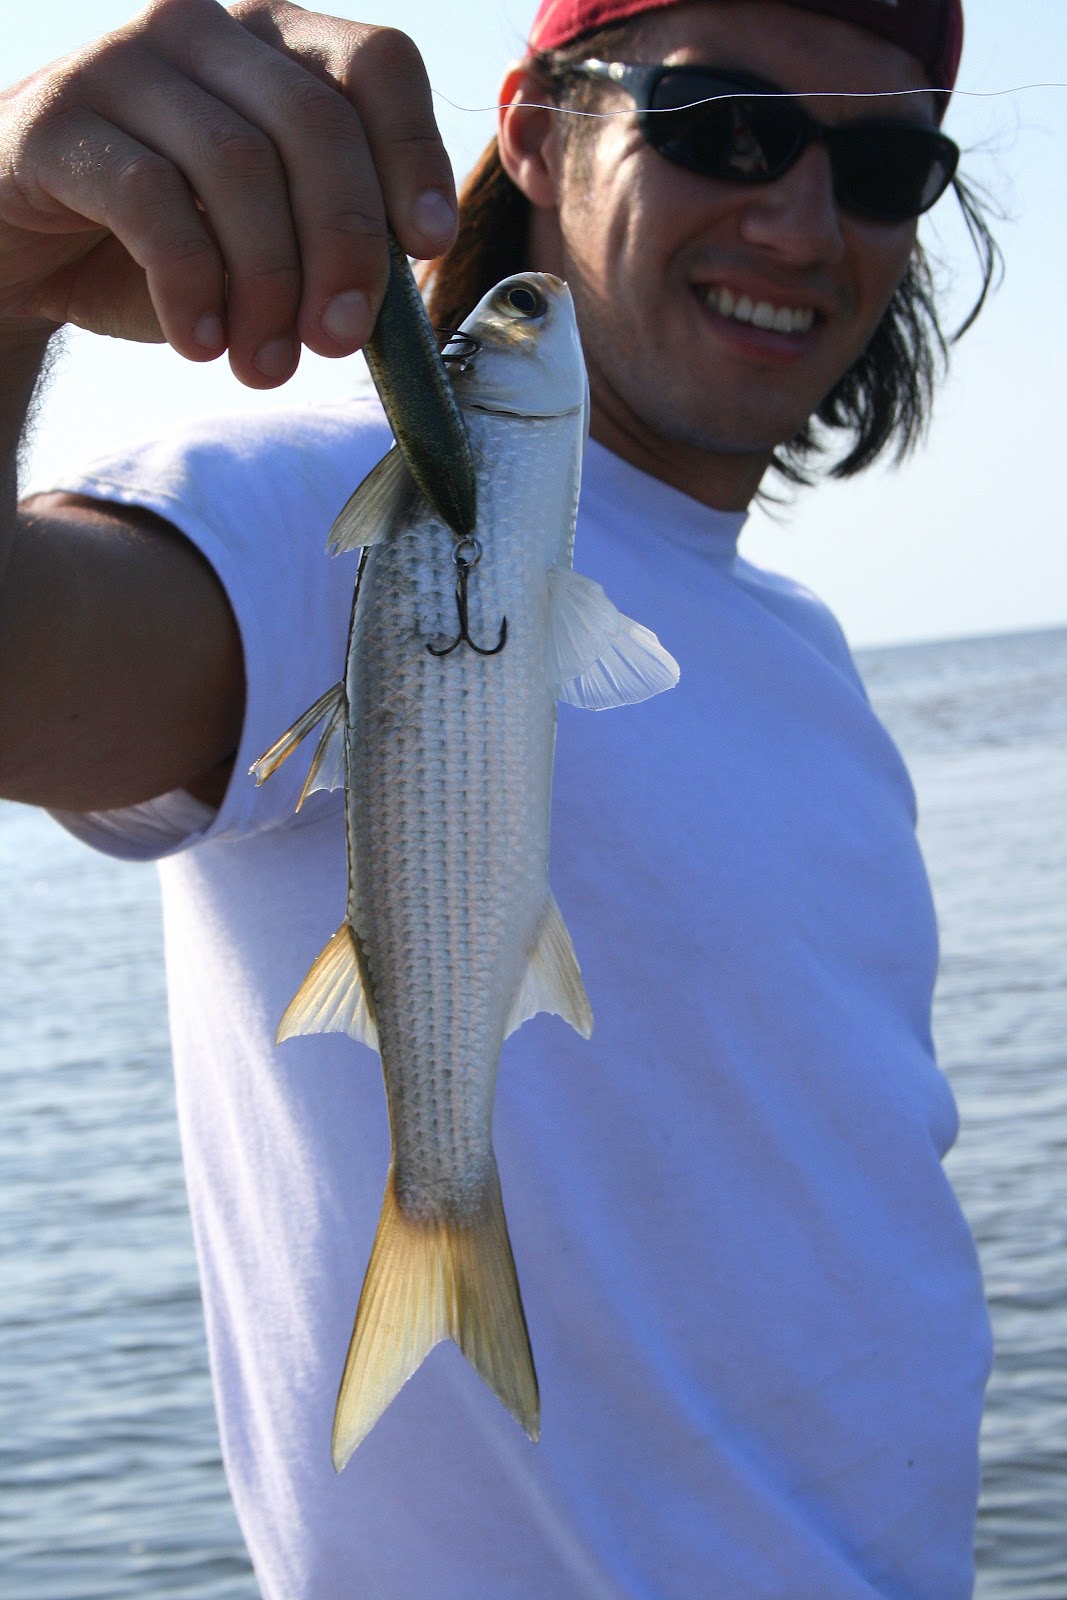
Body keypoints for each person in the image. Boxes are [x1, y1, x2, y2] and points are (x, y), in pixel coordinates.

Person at [0, 0, 1001, 1594]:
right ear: (534, 130)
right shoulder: (318, 510)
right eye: (724, 126)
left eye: (884, 163)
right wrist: (4, 273)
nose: (802, 218)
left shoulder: (807, 660)